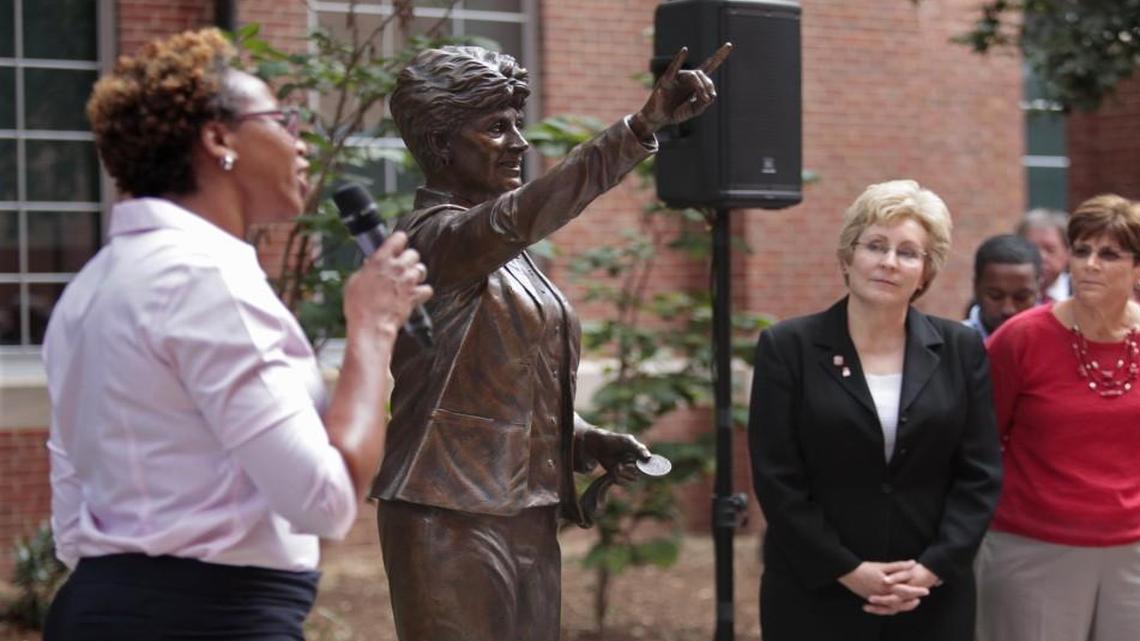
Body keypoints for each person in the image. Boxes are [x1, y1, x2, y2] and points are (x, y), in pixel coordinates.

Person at [42, 29, 431, 641]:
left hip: (92, 611)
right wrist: (374, 325)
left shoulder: (89, 289)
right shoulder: (207, 278)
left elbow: (71, 519)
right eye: (282, 118)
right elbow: (325, 500)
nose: (300, 137)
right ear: (219, 138)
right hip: (215, 619)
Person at [372, 43, 730, 641]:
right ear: (439, 144)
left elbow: (500, 376)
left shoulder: (509, 257)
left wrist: (581, 435)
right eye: (495, 127)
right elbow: (527, 213)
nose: (519, 143)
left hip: (524, 509)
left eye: (518, 124)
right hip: (448, 512)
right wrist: (641, 129)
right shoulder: (432, 241)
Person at [748, 180, 1003, 641]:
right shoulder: (788, 348)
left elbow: (980, 473)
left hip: (929, 594)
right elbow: (777, 477)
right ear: (847, 257)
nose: (889, 262)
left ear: (925, 272)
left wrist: (932, 568)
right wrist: (847, 568)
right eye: (876, 246)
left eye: (908, 252)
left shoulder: (961, 348)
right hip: (815, 590)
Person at [977, 194, 1140, 641]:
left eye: (1109, 254)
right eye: (1082, 250)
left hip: (1133, 553)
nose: (1089, 264)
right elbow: (978, 441)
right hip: (1031, 550)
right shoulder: (1022, 338)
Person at [963, 234, 1042, 340]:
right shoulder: (950, 347)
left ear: (1039, 289)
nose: (1008, 309)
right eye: (995, 297)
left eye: (1021, 298)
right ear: (976, 287)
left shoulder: (1054, 343)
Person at [1017, 208, 1071, 302]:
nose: (1041, 257)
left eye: (1050, 249)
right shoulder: (1007, 298)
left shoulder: (1081, 294)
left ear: (1067, 252)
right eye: (1031, 248)